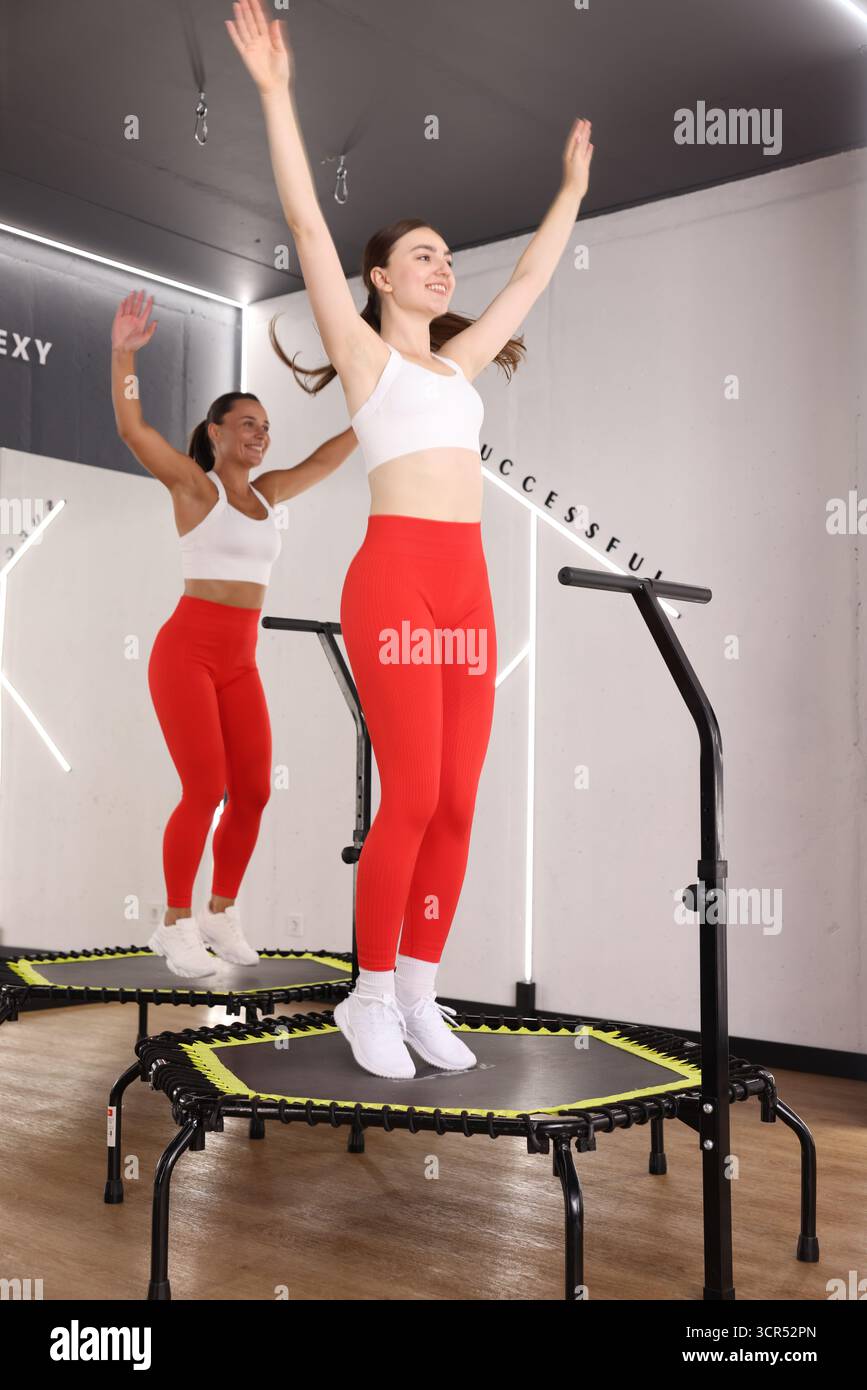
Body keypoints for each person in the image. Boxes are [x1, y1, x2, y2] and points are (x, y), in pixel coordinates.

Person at [227, 0, 593, 1077]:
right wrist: (276, 95)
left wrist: (568, 193)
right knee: (415, 795)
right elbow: (303, 226)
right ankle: (370, 993)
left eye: (445, 258)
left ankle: (424, 990)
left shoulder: (457, 364)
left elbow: (527, 278)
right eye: (421, 257)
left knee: (463, 800)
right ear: (381, 278)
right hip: (394, 584)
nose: (442, 267)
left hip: (468, 591)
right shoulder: (366, 356)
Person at [110, 288, 358, 977]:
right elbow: (134, 431)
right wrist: (123, 355)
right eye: (246, 424)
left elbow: (330, 458)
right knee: (204, 788)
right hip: (186, 651)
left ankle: (220, 910)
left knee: (251, 791)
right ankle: (174, 922)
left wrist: (377, 405)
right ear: (215, 432)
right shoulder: (195, 487)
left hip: (239, 660)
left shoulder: (269, 493)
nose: (259, 434)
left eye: (265, 426)